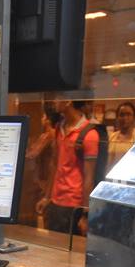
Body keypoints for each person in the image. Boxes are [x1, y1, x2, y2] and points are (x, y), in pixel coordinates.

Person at [43, 96, 100, 234]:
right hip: (56, 202)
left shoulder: (89, 134)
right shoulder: (59, 128)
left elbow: (89, 177)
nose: (54, 102)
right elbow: (55, 164)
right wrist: (47, 196)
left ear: (68, 101)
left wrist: (86, 214)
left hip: (74, 205)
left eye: (57, 98)